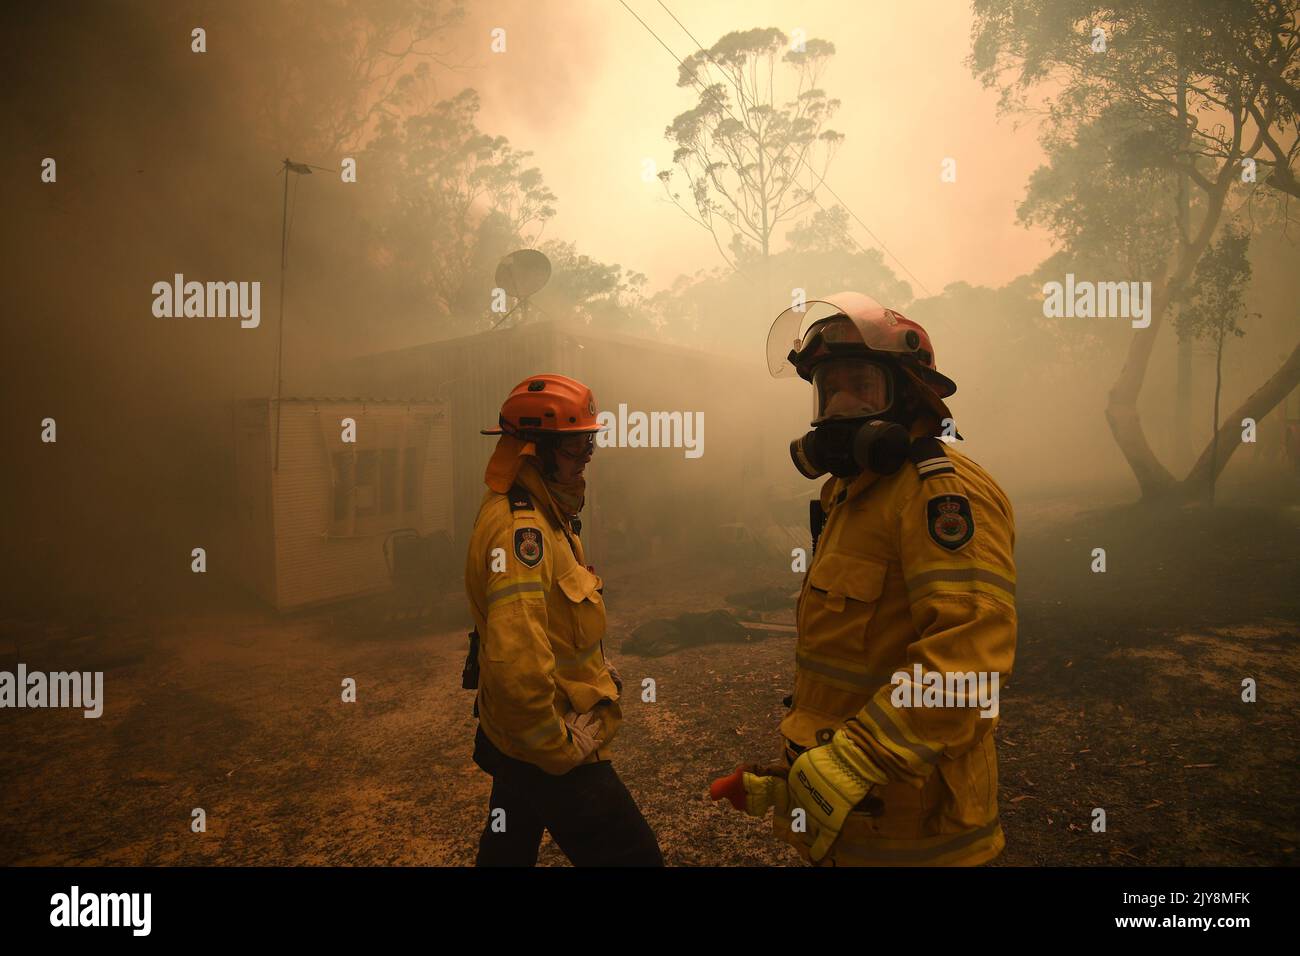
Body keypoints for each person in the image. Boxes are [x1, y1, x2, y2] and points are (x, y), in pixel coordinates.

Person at [711, 293, 1017, 866]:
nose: (842, 407)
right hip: (855, 822)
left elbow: (969, 661)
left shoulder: (940, 495)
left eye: (861, 386)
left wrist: (857, 758)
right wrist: (797, 776)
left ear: (909, 394)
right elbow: (852, 665)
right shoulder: (852, 495)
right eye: (830, 390)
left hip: (917, 836)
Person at [464, 373, 663, 867]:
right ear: (535, 450)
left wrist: (590, 668)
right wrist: (559, 748)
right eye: (578, 447)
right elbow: (515, 660)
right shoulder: (522, 534)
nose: (589, 456)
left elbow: (552, 623)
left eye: (590, 441)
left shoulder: (543, 513)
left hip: (513, 738)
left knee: (508, 846)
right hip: (547, 740)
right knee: (633, 858)